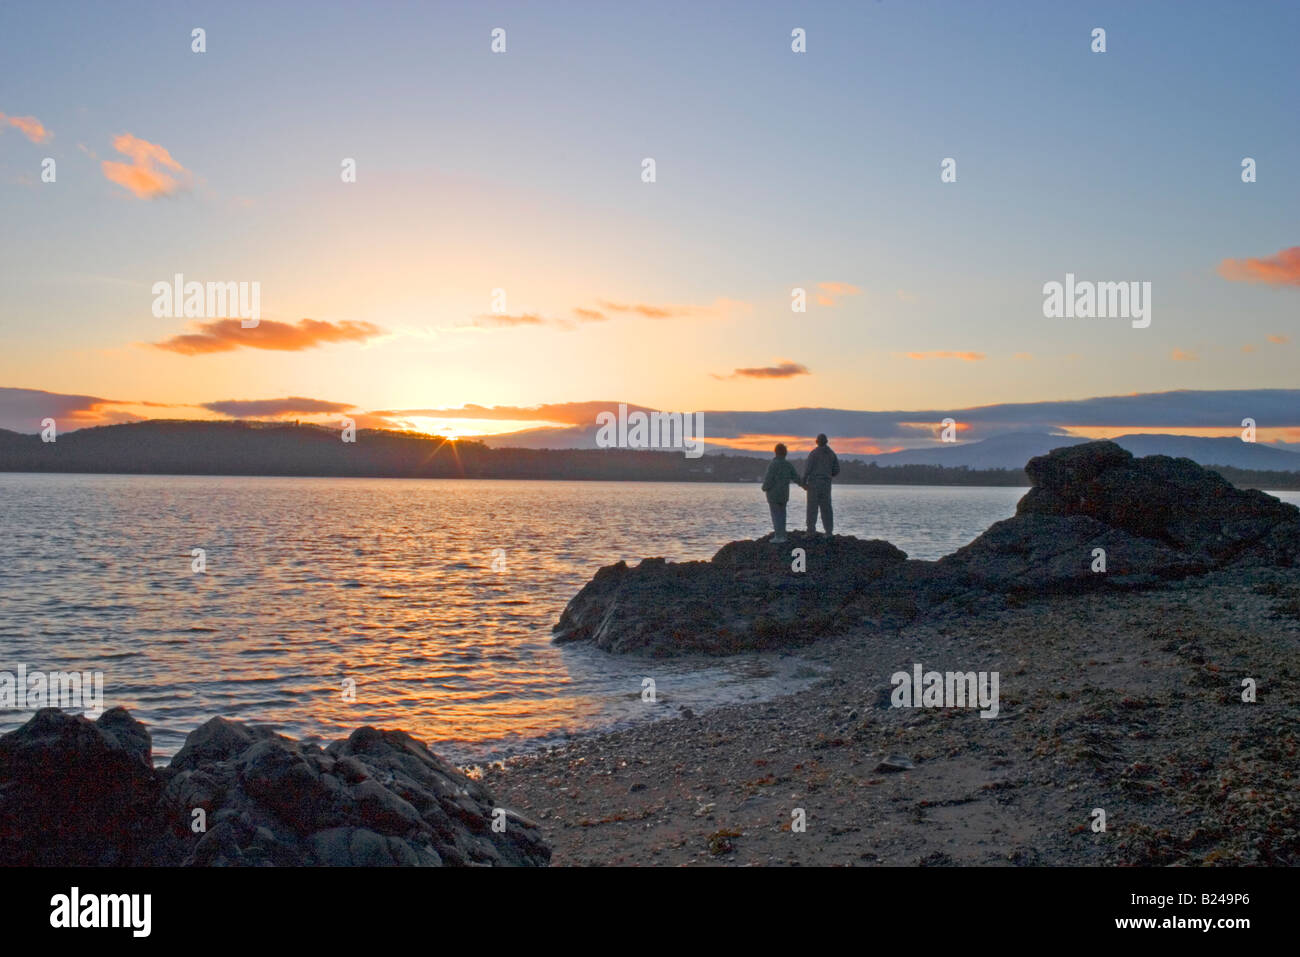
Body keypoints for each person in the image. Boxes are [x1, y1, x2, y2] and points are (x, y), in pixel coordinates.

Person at [760, 443, 803, 543]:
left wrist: (764, 488)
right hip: (784, 495)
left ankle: (778, 536)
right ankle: (782, 535)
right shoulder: (788, 465)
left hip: (773, 495)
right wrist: (804, 486)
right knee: (782, 515)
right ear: (785, 453)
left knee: (776, 516)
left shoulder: (773, 464)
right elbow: (796, 477)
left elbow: (768, 479)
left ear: (776, 452)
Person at [803, 433, 839, 535]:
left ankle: (810, 530)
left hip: (814, 483)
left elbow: (807, 469)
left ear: (817, 442)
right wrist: (828, 475)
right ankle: (828, 531)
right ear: (826, 442)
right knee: (826, 508)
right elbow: (836, 470)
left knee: (812, 508)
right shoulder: (832, 454)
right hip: (826, 484)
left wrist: (804, 482)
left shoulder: (814, 453)